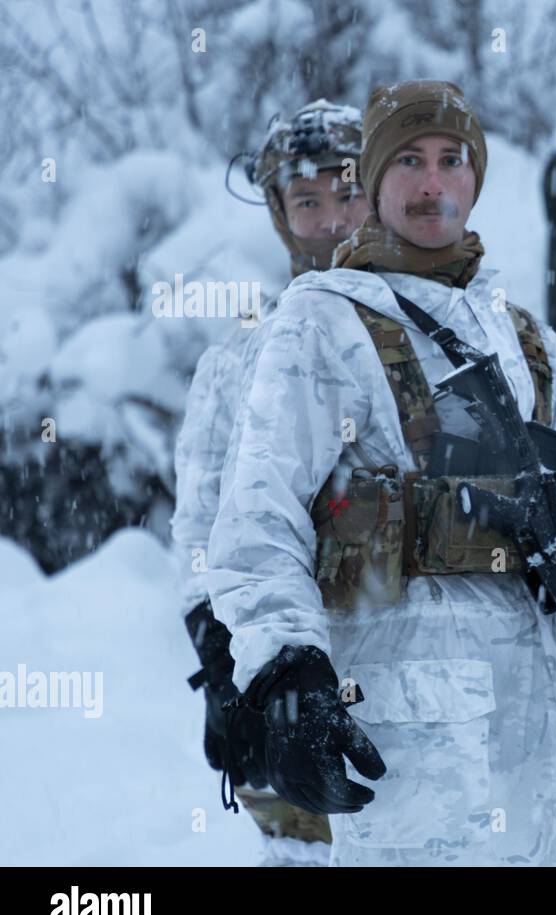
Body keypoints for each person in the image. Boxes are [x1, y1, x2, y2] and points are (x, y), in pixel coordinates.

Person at [206, 80, 556, 866]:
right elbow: (258, 515)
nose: (433, 183)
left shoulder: (524, 334)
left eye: (452, 160)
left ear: (476, 179)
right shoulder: (323, 320)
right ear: (371, 183)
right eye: (408, 160)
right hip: (430, 745)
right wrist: (287, 671)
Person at [173, 99, 369, 865]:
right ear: (282, 215)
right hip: (286, 680)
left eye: (348, 193)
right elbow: (199, 522)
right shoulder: (238, 357)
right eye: (308, 201)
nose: (332, 220)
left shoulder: (441, 327)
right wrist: (226, 669)